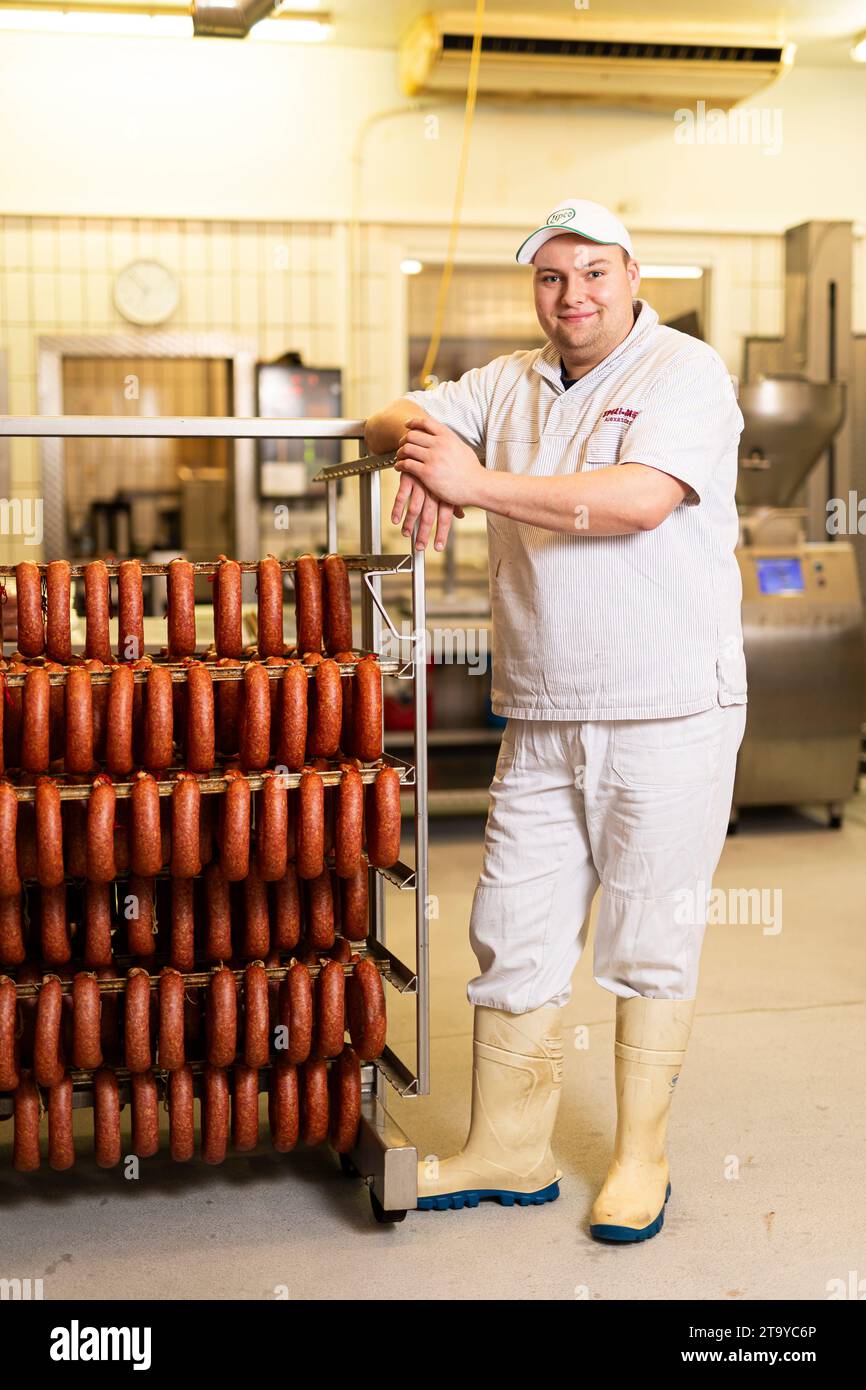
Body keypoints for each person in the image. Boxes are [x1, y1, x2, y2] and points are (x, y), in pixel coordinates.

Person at [364, 199, 747, 1242]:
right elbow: (381, 413)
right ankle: (507, 1146)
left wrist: (471, 481)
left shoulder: (682, 373)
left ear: (629, 273)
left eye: (590, 273)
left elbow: (632, 502)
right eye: (548, 277)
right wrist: (418, 448)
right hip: (540, 706)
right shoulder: (507, 379)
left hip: (665, 701)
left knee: (647, 935)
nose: (570, 295)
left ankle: (639, 1156)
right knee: (511, 927)